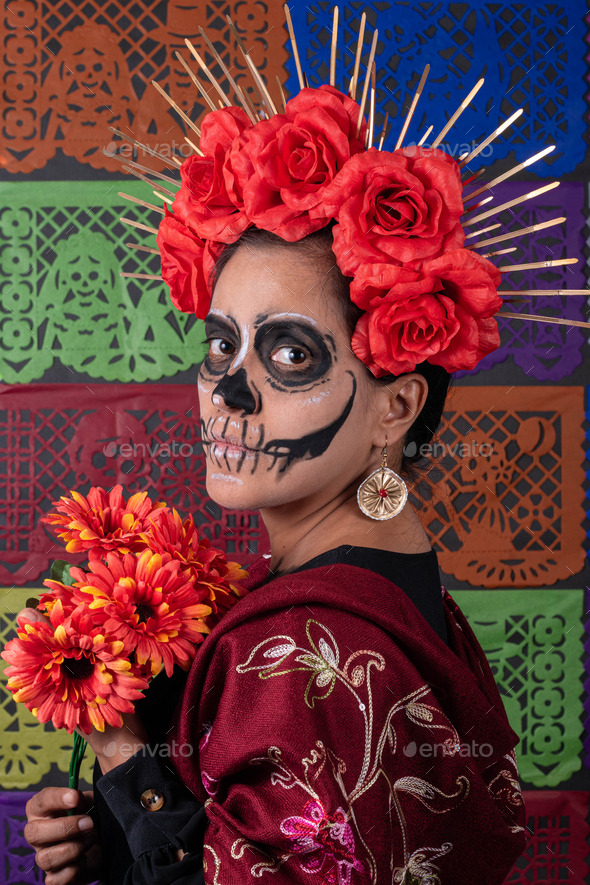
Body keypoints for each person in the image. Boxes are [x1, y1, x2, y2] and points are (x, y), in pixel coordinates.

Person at [22, 224, 525, 884]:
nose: (228, 391)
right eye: (223, 343)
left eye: (291, 355)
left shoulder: (301, 645)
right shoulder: (398, 589)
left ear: (395, 406)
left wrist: (121, 751)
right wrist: (124, 834)